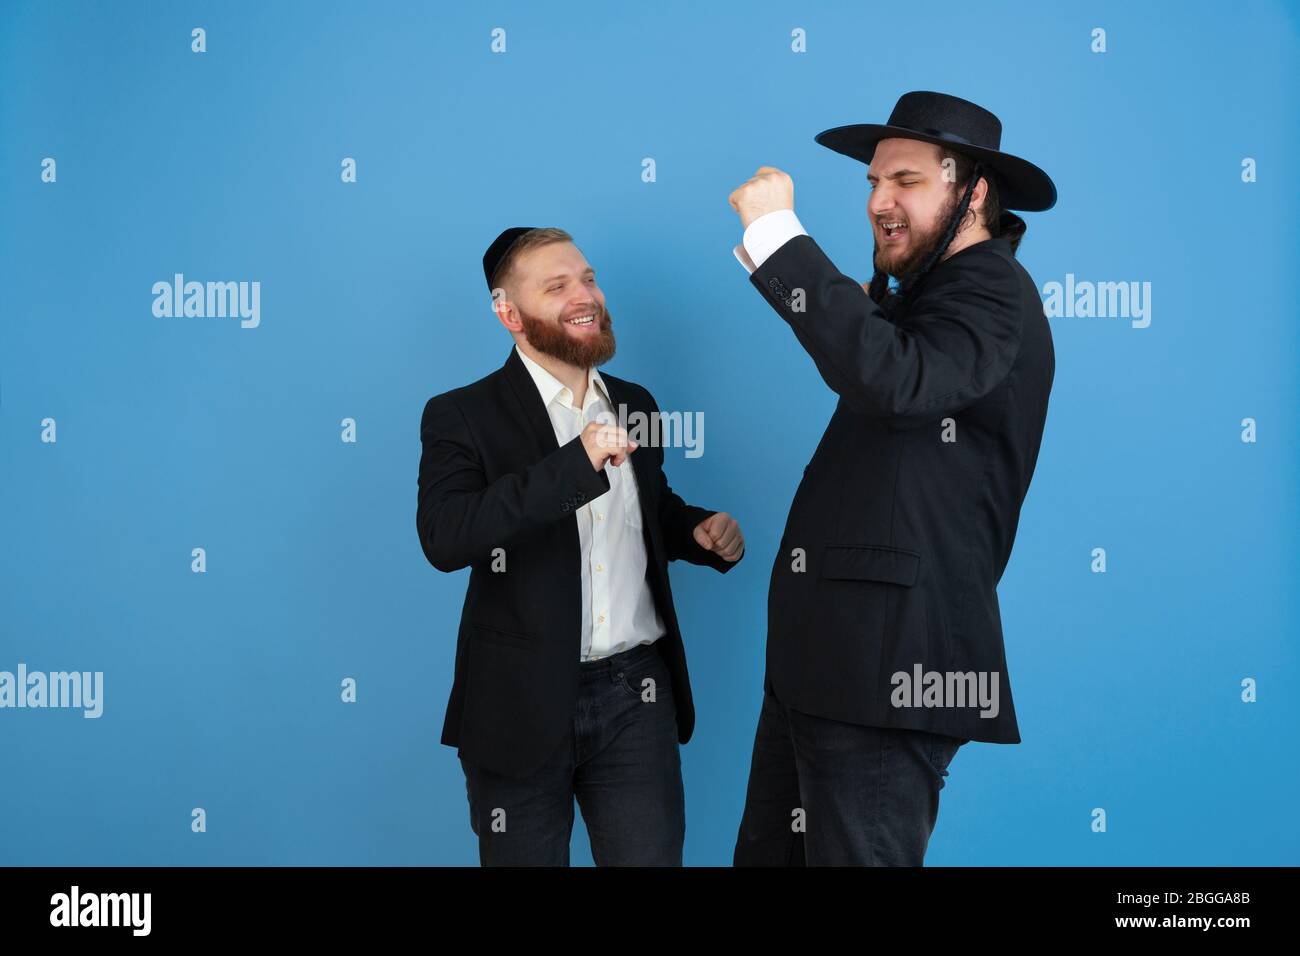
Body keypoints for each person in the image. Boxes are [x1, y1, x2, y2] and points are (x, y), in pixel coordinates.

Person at [727, 91, 1057, 865]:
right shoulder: (937, 298)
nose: (878, 201)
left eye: (905, 180)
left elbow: (893, 379)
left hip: (890, 675)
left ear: (973, 192)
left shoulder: (991, 286)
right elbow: (876, 363)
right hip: (832, 669)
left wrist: (779, 237)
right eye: (873, 183)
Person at [417, 226, 744, 865]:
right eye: (557, 285)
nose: (584, 295)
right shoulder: (461, 414)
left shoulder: (636, 404)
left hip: (636, 698)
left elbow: (649, 513)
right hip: (517, 702)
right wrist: (577, 463)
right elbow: (447, 535)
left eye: (588, 278)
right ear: (508, 313)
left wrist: (699, 533)